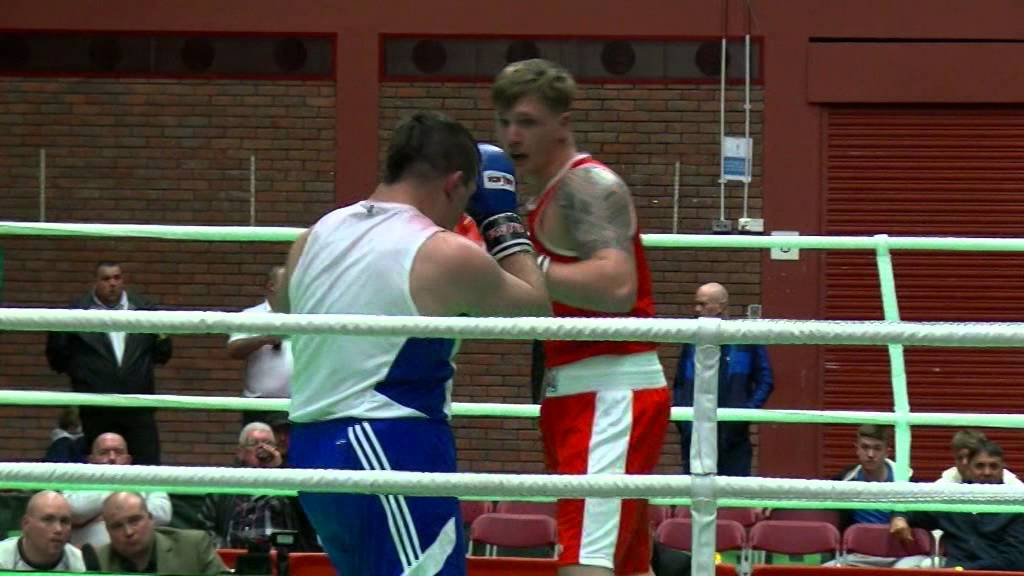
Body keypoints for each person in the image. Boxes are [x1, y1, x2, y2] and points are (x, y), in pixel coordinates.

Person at [280, 111, 549, 576]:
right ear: (455, 184)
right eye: (465, 202)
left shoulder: (315, 235)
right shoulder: (439, 250)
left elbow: (282, 300)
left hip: (310, 448)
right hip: (388, 443)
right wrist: (501, 220)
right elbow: (535, 312)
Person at [492, 58, 670, 576]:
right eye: (504, 121)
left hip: (608, 391)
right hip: (577, 389)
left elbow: (616, 286)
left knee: (584, 561)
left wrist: (525, 266)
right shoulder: (544, 194)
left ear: (562, 124)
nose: (512, 135)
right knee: (625, 563)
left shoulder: (587, 186)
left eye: (527, 121)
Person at [45, 261, 172, 465]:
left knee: (147, 467)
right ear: (95, 282)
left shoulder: (145, 309)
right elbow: (57, 358)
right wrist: (86, 375)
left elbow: (163, 352)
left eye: (116, 278)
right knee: (100, 468)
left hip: (139, 406)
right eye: (106, 279)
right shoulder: (75, 312)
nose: (112, 283)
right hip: (96, 408)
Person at [674, 282, 773, 477]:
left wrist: (745, 413)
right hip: (695, 433)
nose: (696, 309)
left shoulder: (745, 339)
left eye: (702, 304)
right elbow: (680, 383)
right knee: (696, 488)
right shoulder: (692, 339)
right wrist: (684, 422)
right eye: (696, 304)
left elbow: (766, 380)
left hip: (733, 435)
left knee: (733, 491)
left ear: (720, 306)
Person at [891, 440, 1024, 571]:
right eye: (980, 466)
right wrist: (900, 517)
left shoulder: (1016, 506)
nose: (987, 472)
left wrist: (961, 569)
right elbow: (913, 510)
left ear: (1002, 469)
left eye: (994, 466)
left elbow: (1015, 560)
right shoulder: (953, 499)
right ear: (968, 469)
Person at [198, 422, 318, 550]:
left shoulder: (289, 481)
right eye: (254, 443)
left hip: (281, 557)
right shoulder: (223, 486)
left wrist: (279, 469)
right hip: (234, 557)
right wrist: (225, 551)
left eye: (268, 443)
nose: (262, 448)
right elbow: (204, 529)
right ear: (240, 452)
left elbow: (309, 516)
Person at [825, 425, 929, 568]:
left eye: (877, 448)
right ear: (857, 449)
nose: (870, 454)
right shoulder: (845, 480)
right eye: (865, 447)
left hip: (901, 556)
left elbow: (922, 515)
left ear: (887, 452)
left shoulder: (908, 481)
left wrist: (901, 517)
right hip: (859, 556)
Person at [65, 433, 172, 547]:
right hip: (87, 555)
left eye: (119, 452)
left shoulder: (147, 479)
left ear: (128, 459)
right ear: (91, 460)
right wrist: (118, 488)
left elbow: (163, 515)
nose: (112, 458)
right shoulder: (76, 480)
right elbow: (74, 511)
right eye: (104, 453)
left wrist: (103, 516)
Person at [83, 492, 226, 575]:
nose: (129, 532)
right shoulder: (97, 561)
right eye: (117, 526)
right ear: (108, 531)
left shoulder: (193, 546)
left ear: (151, 519)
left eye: (134, 521)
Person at [226, 266, 292, 429]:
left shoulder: (303, 316)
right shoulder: (250, 316)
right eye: (287, 280)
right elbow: (234, 350)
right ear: (271, 285)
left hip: (296, 404)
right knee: (256, 445)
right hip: (259, 405)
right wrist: (263, 339)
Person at [0, 491, 85, 572]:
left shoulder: (81, 565)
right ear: (26, 524)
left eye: (64, 521)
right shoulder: (2, 559)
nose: (58, 529)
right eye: (48, 520)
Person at [937, 429, 1021, 485]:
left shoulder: (1012, 484)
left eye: (968, 457)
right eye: (960, 458)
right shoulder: (943, 484)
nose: (964, 463)